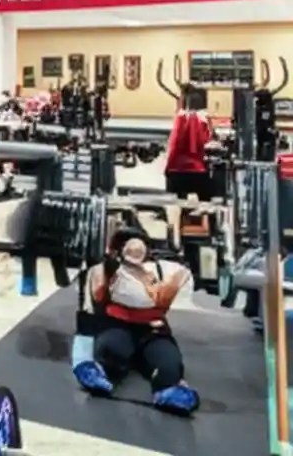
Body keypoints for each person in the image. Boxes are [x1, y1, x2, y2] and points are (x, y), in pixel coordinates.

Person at [73, 228, 199, 416]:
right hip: (116, 324)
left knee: (169, 363)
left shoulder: (165, 271)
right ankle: (99, 371)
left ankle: (170, 390)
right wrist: (81, 361)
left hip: (153, 329)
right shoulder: (100, 272)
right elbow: (86, 318)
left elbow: (188, 275)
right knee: (112, 351)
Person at [164, 86, 214, 200]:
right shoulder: (203, 119)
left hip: (178, 170)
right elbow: (206, 140)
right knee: (207, 199)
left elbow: (175, 144)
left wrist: (167, 167)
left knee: (181, 201)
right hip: (198, 170)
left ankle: (184, 215)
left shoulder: (181, 119)